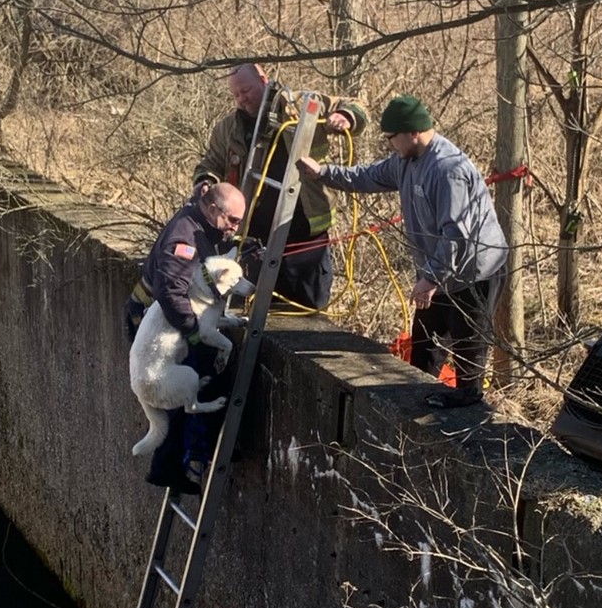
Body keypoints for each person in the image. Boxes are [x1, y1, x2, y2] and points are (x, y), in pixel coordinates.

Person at [296, 96, 508, 409]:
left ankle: (468, 405)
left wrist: (430, 279)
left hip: (475, 270)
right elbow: (367, 177)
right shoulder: (405, 162)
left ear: (412, 133)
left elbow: (456, 235)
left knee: (468, 343)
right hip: (438, 270)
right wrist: (323, 172)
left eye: (391, 137)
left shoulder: (447, 170)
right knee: (424, 343)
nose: (389, 144)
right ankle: (416, 396)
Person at [192, 63, 368, 311]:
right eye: (236, 95)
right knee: (254, 307)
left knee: (306, 309)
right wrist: (205, 183)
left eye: (246, 90)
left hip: (304, 233)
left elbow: (357, 106)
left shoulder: (303, 106)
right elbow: (210, 163)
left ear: (263, 79)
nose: (242, 99)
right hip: (256, 237)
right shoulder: (228, 129)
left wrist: (345, 117)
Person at [124, 183, 247, 494]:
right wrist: (193, 331)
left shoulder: (199, 220)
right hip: (160, 317)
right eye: (232, 220)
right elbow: (170, 291)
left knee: (188, 384)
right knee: (191, 382)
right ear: (212, 209)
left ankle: (187, 457)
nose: (235, 227)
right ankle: (176, 464)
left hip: (165, 315)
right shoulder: (185, 239)